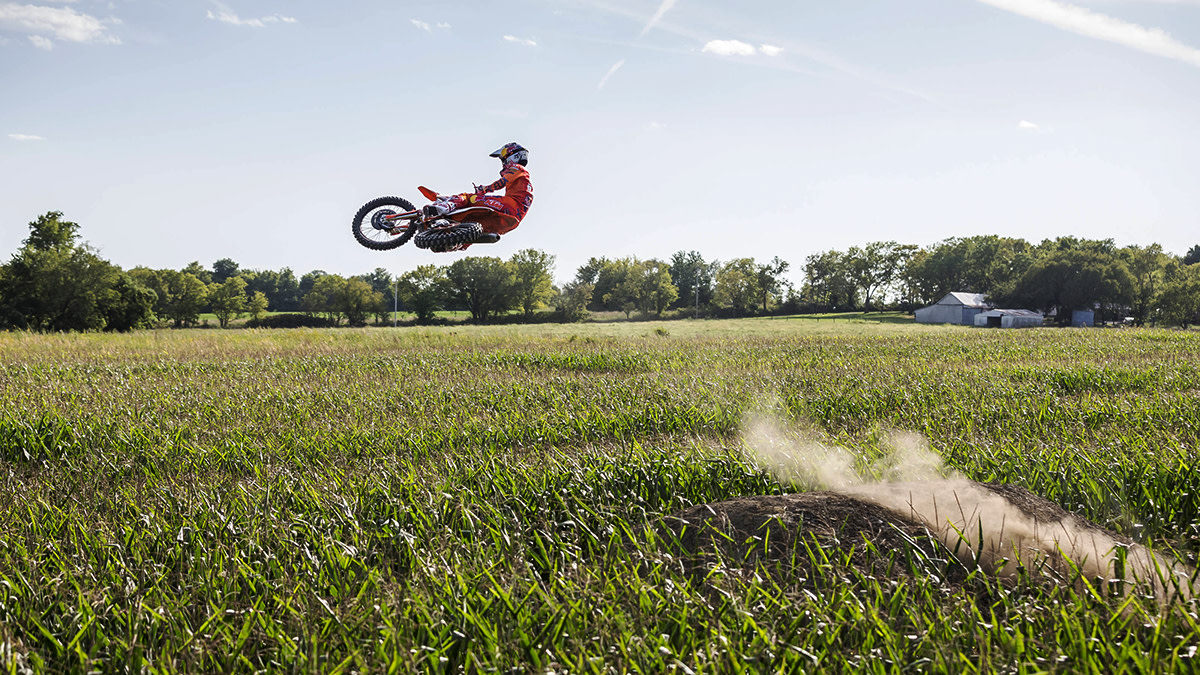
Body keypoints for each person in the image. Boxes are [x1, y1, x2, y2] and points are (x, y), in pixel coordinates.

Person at [422, 142, 533, 235]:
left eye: (502, 158)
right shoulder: (524, 176)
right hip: (513, 219)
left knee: (470, 198)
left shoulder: (517, 168)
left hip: (510, 205)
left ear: (511, 155)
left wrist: (485, 189)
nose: (502, 162)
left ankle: (444, 207)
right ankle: (457, 242)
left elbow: (503, 182)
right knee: (478, 227)